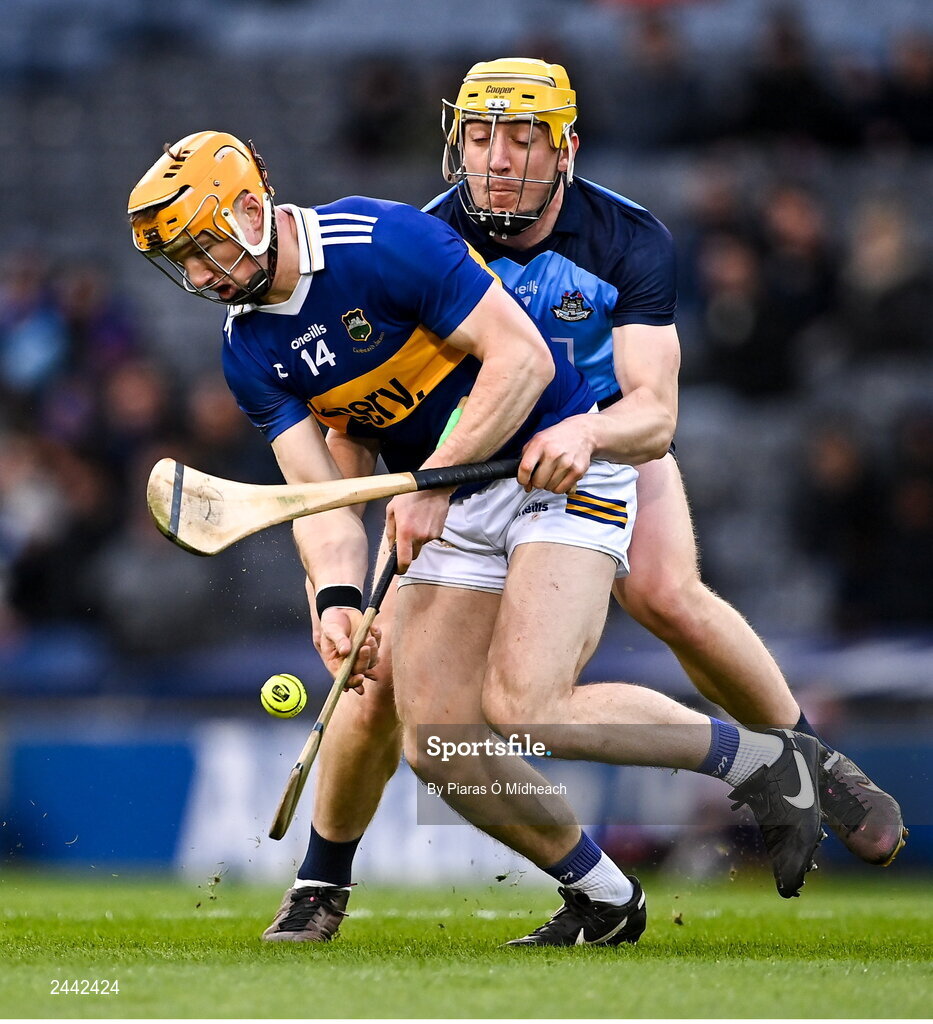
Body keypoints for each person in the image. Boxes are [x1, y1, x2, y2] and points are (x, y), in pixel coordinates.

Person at [130, 130, 827, 950]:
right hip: (451, 499)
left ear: (251, 211)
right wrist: (336, 598)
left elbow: (522, 360)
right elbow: (321, 498)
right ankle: (605, 899)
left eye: (203, 249)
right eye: (182, 263)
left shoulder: (381, 240)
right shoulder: (248, 348)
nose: (200, 277)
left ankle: (765, 763)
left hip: (553, 463)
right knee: (439, 744)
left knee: (530, 707)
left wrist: (435, 481)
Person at [296, 59, 906, 942]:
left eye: (521, 138)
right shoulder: (422, 240)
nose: (497, 159)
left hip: (603, 441)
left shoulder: (627, 236)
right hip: (473, 473)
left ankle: (812, 767)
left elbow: (652, 413)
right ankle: (328, 881)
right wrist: (356, 556)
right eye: (479, 136)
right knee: (390, 690)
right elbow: (369, 405)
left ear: (565, 148)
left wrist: (586, 435)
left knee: (666, 595)